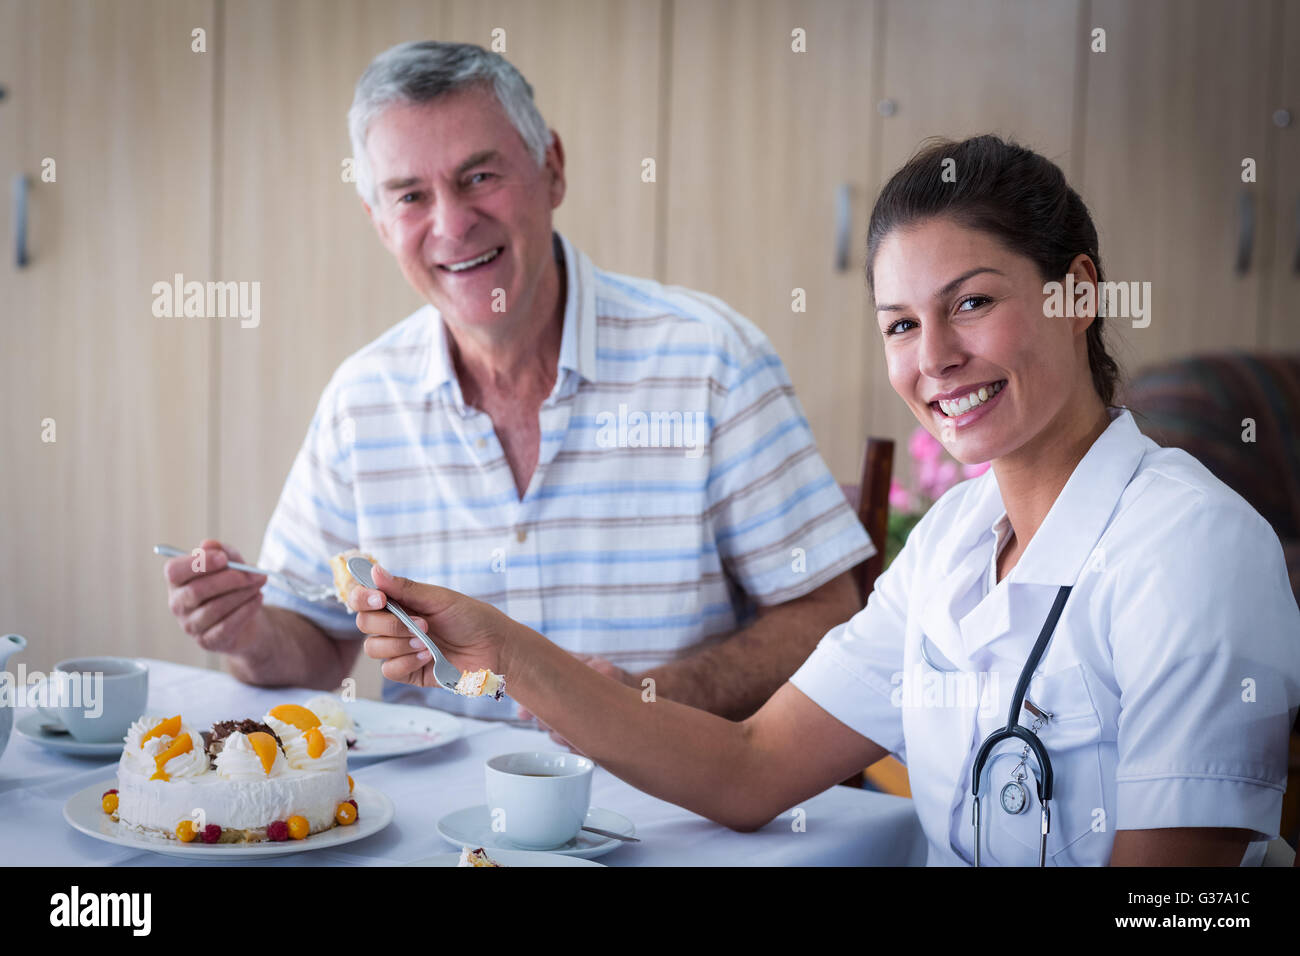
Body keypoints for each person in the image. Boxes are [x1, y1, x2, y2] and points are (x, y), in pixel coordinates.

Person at [350, 135, 1300, 865]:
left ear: (1077, 293)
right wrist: (503, 650)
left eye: (971, 303)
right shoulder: (955, 544)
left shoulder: (1192, 552)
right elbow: (752, 765)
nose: (933, 358)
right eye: (900, 323)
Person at [161, 41, 870, 722]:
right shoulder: (361, 399)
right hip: (438, 830)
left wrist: (648, 703)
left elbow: (828, 614)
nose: (453, 223)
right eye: (410, 195)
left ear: (552, 168)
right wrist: (246, 634)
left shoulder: (712, 361)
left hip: (670, 814)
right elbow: (315, 650)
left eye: (479, 177)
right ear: (377, 221)